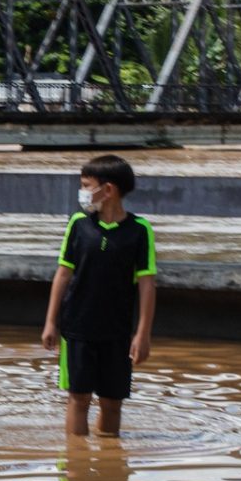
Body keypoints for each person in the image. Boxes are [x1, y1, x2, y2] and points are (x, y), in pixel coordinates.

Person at [40, 153, 157, 437]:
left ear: (108, 190)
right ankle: (75, 460)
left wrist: (142, 334)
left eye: (86, 185)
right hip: (77, 328)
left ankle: (109, 457)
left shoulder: (140, 230)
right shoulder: (78, 224)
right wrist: (51, 322)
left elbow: (147, 284)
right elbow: (63, 274)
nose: (81, 192)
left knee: (112, 402)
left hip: (117, 331)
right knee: (78, 398)